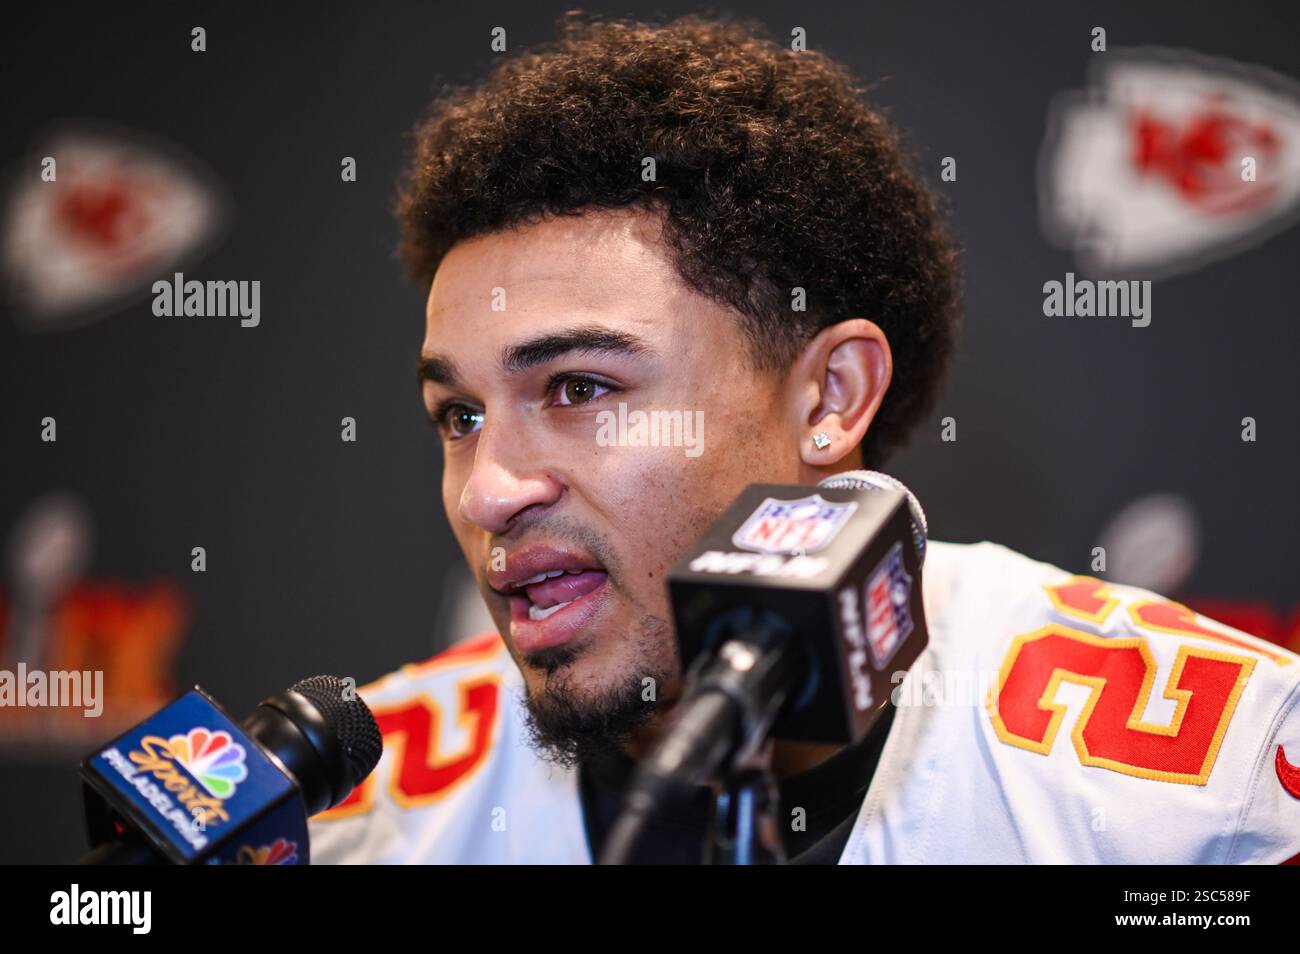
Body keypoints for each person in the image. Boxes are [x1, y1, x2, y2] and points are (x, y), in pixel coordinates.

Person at [309, 12, 1300, 864]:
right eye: (459, 416)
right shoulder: (360, 812)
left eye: (577, 388)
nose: (488, 491)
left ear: (829, 397)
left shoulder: (1213, 789)